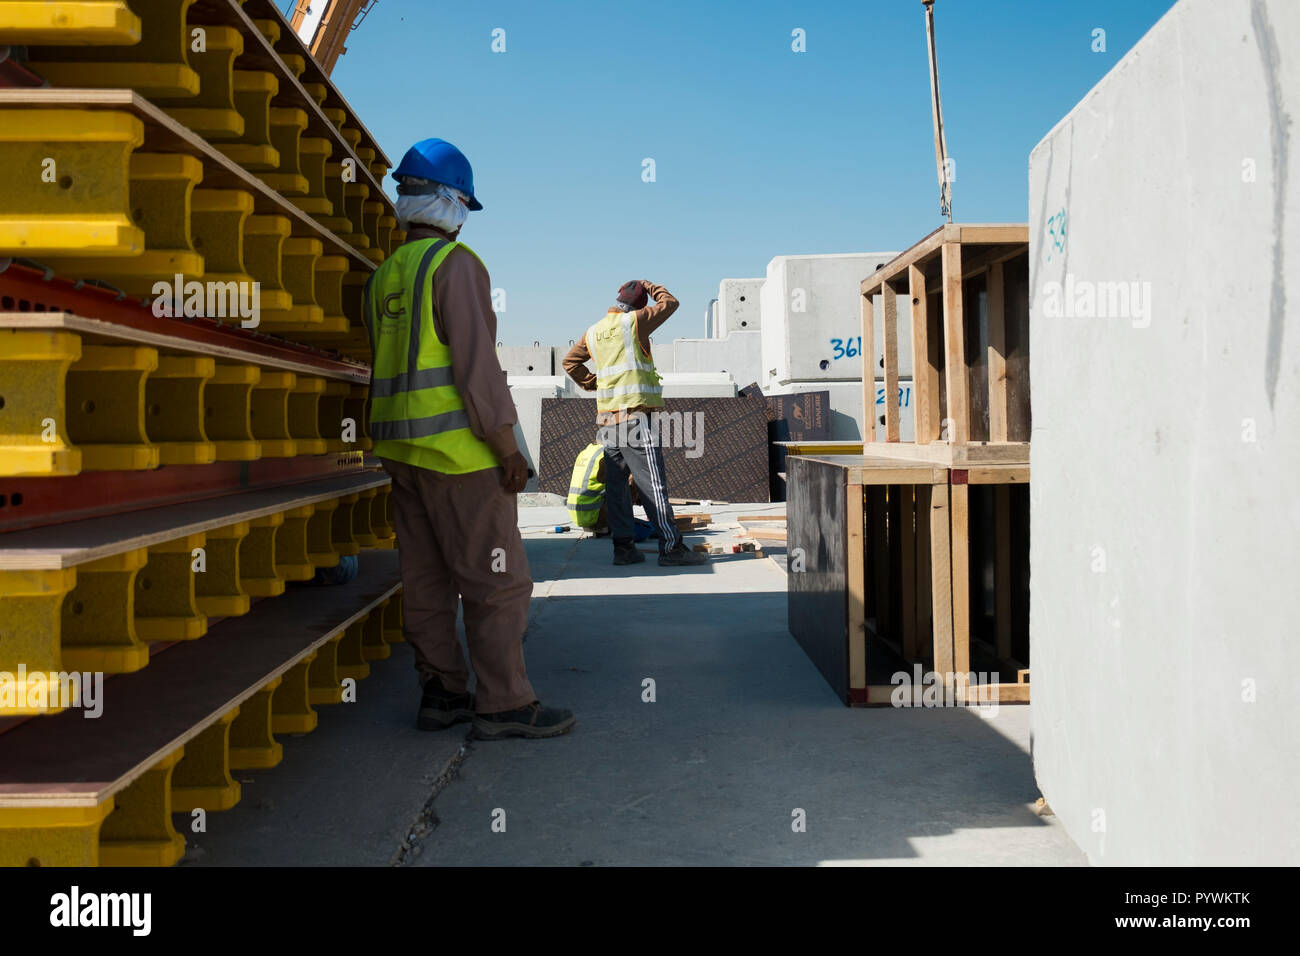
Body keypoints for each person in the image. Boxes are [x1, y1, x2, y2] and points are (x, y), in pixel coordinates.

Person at [363, 138, 574, 740]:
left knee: (426, 580)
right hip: (460, 458)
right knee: (498, 582)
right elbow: (478, 368)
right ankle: (506, 705)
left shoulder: (383, 280)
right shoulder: (457, 266)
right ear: (451, 202)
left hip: (402, 457)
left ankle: (443, 694)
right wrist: (507, 447)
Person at [562, 280, 706, 567]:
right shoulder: (635, 322)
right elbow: (671, 304)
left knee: (616, 487)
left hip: (607, 420)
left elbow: (570, 363)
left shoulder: (594, 331)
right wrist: (652, 286)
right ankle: (671, 548)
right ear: (640, 306)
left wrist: (593, 384)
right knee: (653, 484)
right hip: (635, 418)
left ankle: (624, 549)